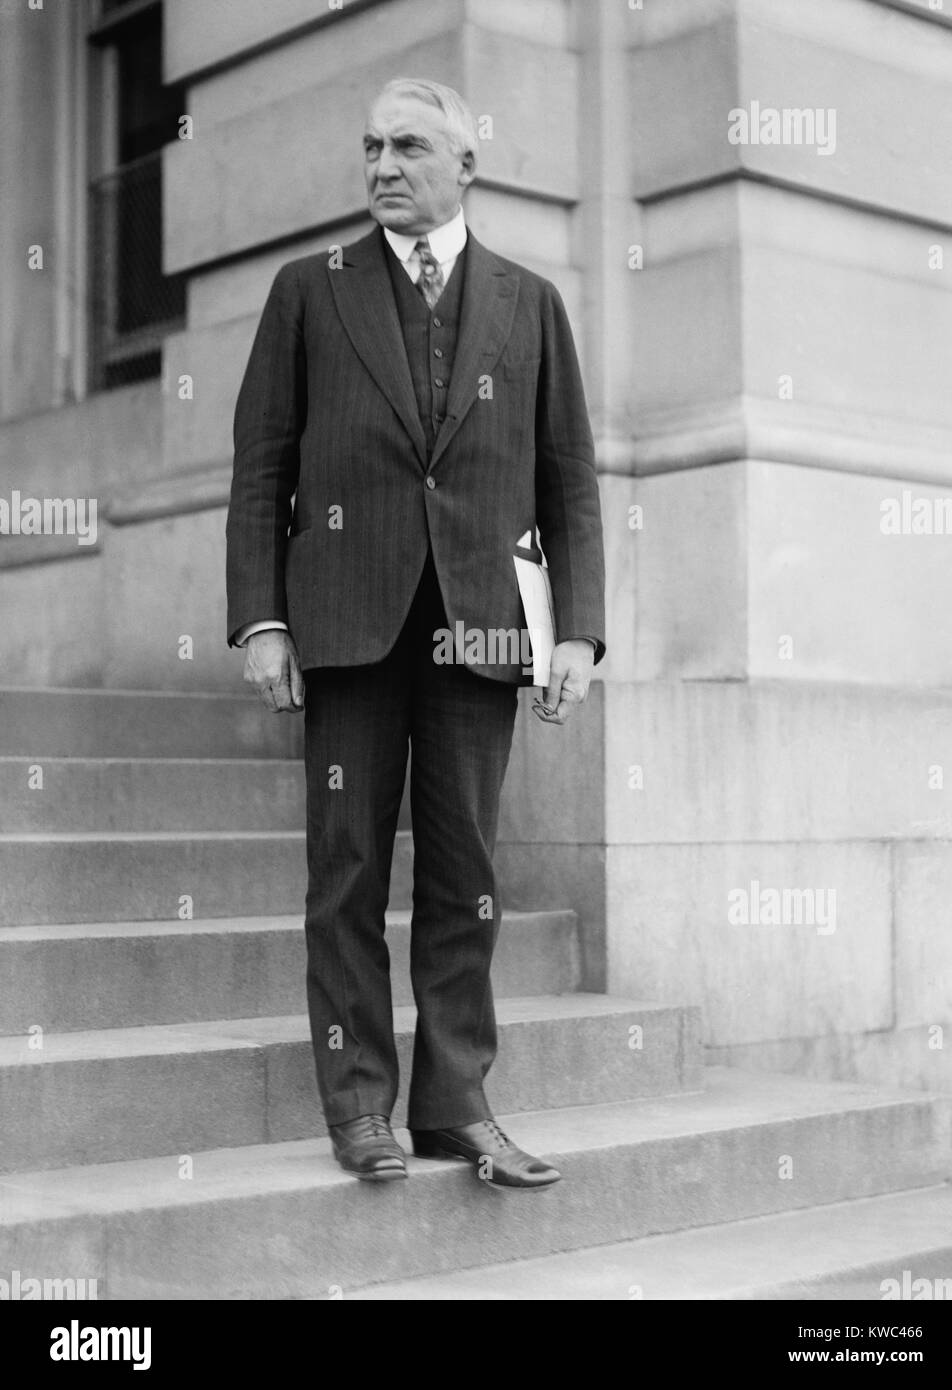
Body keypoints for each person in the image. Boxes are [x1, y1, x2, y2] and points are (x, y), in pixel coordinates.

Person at [226, 78, 605, 1189]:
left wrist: (573, 634)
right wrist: (261, 620)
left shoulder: (529, 303)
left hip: (478, 635)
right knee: (345, 873)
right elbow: (263, 471)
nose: (383, 165)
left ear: (465, 166)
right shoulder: (310, 292)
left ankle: (455, 1104)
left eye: (408, 147)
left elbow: (569, 480)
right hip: (346, 629)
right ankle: (358, 1108)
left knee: (464, 876)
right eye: (370, 148)